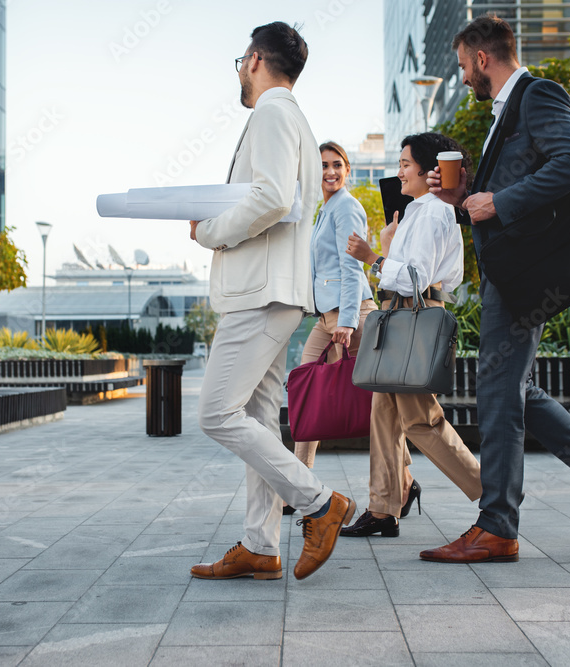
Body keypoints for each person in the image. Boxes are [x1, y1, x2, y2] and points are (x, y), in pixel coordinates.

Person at [421, 13, 570, 563]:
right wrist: (468, 199)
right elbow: (512, 187)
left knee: (501, 389)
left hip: (528, 272)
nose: (462, 79)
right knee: (511, 388)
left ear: (483, 58)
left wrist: (498, 201)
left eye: (461, 67)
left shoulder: (538, 94)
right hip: (513, 270)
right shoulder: (507, 111)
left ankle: (498, 526)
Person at [187, 22, 355, 582]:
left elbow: (271, 197)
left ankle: (319, 503)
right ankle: (260, 544)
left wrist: (211, 230)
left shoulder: (274, 113)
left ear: (255, 59)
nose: (239, 70)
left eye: (241, 60)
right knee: (258, 417)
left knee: (216, 413)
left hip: (261, 294)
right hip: (273, 291)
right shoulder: (292, 118)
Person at [342, 132, 482, 538]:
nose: (400, 171)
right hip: (402, 316)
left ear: (429, 170)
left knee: (421, 419)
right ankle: (383, 509)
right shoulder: (420, 210)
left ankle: (492, 493)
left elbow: (416, 280)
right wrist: (387, 247)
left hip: (413, 316)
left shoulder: (434, 211)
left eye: (405, 164)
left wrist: (373, 256)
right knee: (383, 417)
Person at [286, 142, 421, 515]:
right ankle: (300, 486)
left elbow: (351, 267)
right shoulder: (323, 210)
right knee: (306, 390)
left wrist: (346, 322)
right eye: (323, 166)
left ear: (347, 170)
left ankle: (403, 481)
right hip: (328, 316)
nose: (330, 172)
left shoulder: (346, 207)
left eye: (336, 165)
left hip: (353, 315)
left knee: (380, 403)